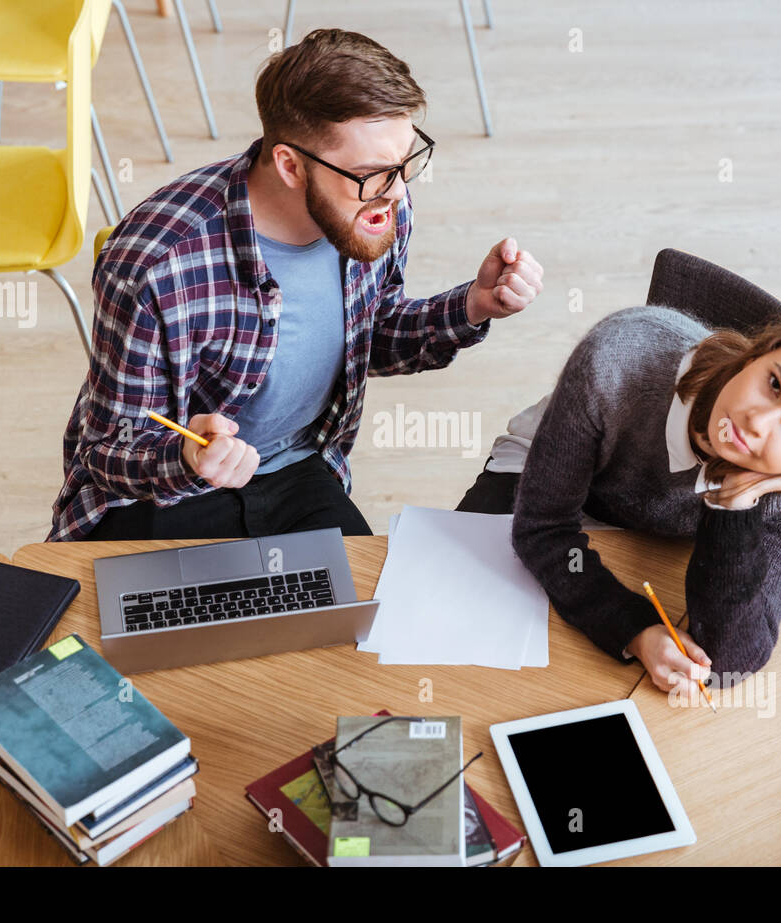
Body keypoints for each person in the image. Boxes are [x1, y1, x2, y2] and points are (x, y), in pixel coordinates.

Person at [49, 28, 543, 542]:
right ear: (289, 164)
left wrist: (473, 306)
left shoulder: (372, 207)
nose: (396, 191)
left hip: (298, 474)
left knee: (369, 617)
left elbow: (367, 338)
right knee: (163, 621)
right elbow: (109, 448)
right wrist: (188, 455)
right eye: (373, 173)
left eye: (404, 163)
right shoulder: (154, 265)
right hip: (166, 491)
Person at [457, 305, 781, 700]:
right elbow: (542, 529)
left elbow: (729, 658)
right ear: (759, 353)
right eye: (774, 384)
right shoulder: (618, 357)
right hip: (542, 478)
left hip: (653, 533)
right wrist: (633, 628)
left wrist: (734, 505)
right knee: (474, 640)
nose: (756, 421)